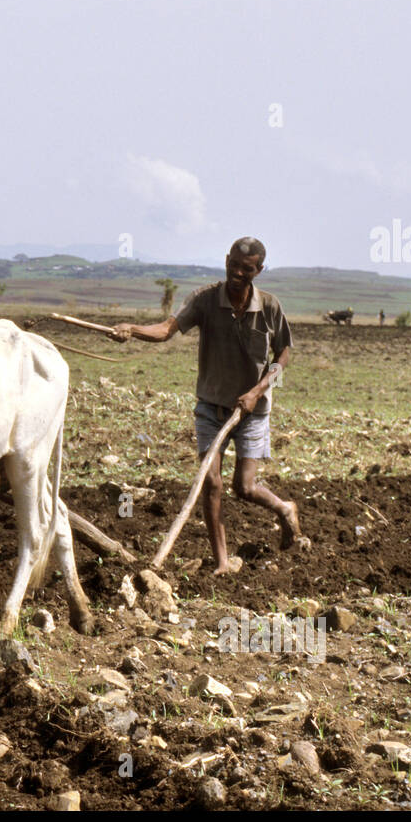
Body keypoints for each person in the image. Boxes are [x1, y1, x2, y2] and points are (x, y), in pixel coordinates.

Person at [109, 237, 302, 574]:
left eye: (247, 269)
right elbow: (168, 329)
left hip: (252, 411)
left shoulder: (270, 306)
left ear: (259, 270)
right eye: (234, 265)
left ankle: (285, 508)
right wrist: (133, 329)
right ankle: (222, 562)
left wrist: (257, 390)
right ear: (226, 260)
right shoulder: (205, 300)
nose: (238, 273)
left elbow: (283, 355)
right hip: (211, 408)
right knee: (211, 483)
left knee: (244, 487)